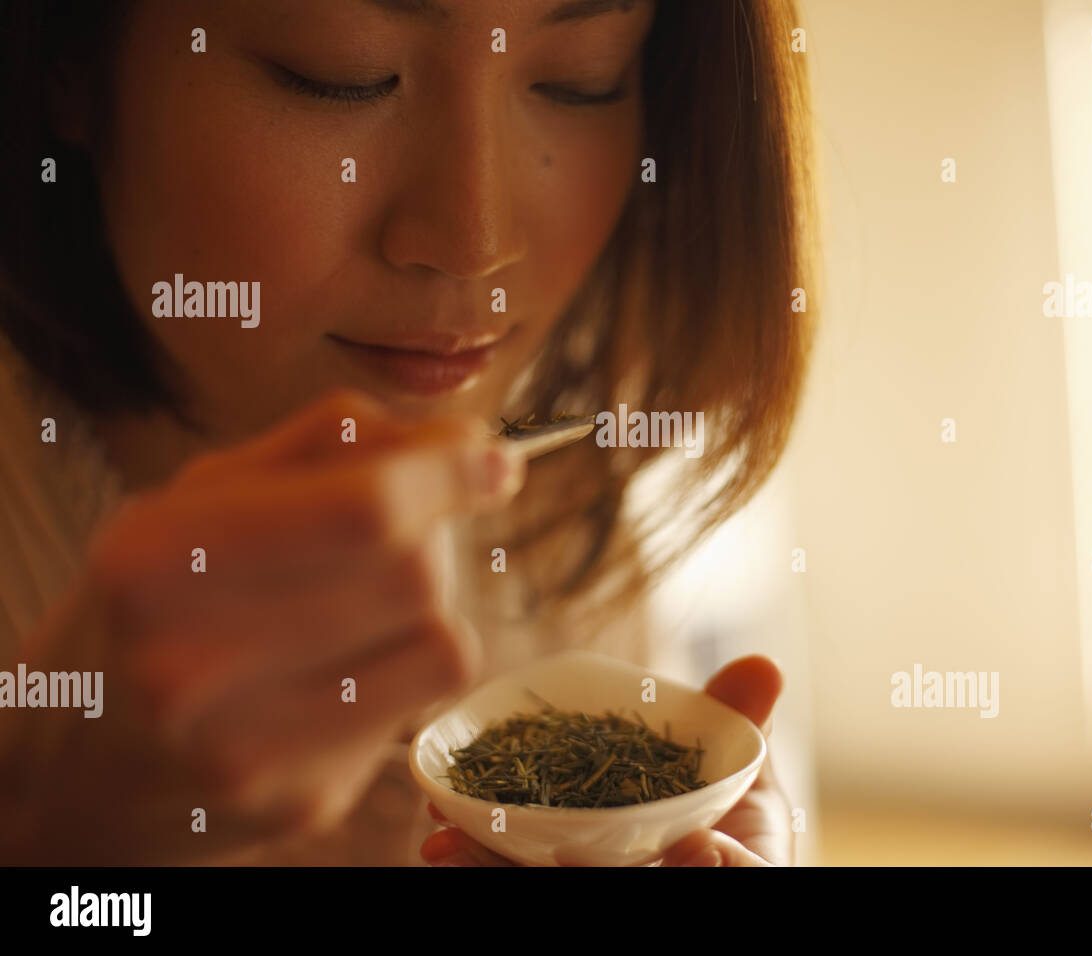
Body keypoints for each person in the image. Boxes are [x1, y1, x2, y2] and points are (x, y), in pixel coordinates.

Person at [0, 0, 816, 865]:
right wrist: (51, 833)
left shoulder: (556, 505)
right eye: (340, 76)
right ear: (72, 64)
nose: (475, 244)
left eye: (580, 79)